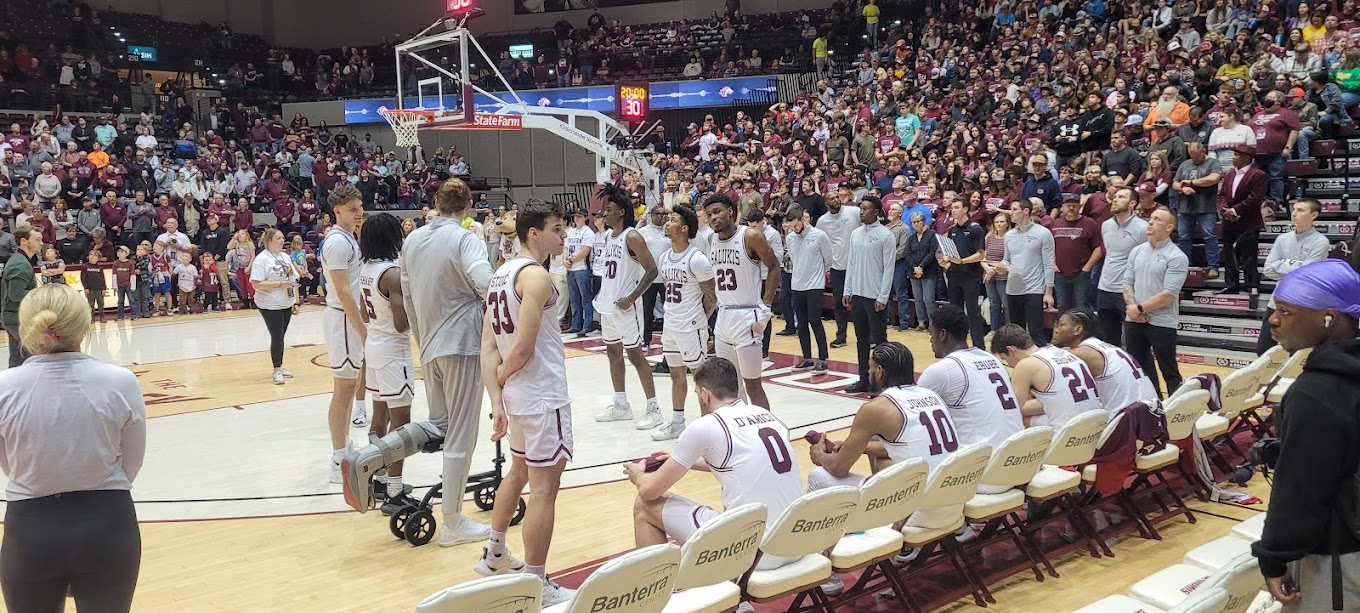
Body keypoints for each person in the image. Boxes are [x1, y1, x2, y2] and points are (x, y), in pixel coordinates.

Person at [0, 284, 145, 612]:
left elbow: (9, 464)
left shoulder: (3, 387)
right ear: (85, 326)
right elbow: (131, 463)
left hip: (30, 530)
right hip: (107, 525)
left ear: (27, 328)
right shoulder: (120, 381)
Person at [625, 357, 804, 607]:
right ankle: (734, 598)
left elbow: (649, 490)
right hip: (797, 541)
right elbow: (744, 462)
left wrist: (638, 475)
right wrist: (683, 461)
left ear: (705, 394)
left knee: (644, 507)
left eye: (697, 393)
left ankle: (654, 603)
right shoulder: (764, 414)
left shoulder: (705, 426)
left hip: (754, 554)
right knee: (739, 497)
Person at [477, 200, 575, 607]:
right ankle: (537, 584)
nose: (563, 234)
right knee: (544, 491)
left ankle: (495, 553)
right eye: (557, 228)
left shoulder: (500, 274)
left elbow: (486, 347)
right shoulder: (537, 277)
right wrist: (503, 381)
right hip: (542, 394)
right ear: (534, 233)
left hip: (519, 397)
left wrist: (498, 397)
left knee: (517, 474)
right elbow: (520, 349)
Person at [386, 177, 494, 546]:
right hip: (463, 342)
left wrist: (421, 338)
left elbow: (408, 296)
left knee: (438, 424)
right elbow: (483, 278)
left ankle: (381, 462)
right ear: (467, 209)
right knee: (461, 432)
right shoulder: (467, 238)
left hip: (429, 342)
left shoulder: (413, 239)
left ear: (435, 202)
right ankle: (452, 521)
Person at [1250, 258, 1360, 610]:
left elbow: (1301, 491)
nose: (1274, 320)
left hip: (1338, 552)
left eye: (1286, 311)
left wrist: (1274, 556)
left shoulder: (1314, 393)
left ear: (1329, 317)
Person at [804, 341, 968, 571]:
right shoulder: (932, 396)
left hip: (916, 515)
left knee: (817, 477)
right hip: (953, 504)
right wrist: (858, 446)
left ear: (880, 371)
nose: (869, 372)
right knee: (877, 454)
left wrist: (820, 455)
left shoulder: (877, 408)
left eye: (871, 367)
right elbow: (912, 444)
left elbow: (839, 468)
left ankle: (824, 569)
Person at [355, 213, 419, 514]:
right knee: (401, 423)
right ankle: (394, 491)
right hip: (393, 350)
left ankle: (377, 476)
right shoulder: (392, 274)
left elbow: (365, 314)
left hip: (374, 345)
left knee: (379, 417)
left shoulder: (365, 268)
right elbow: (400, 324)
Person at [702, 193, 781, 409]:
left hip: (747, 314)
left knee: (753, 385)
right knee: (730, 386)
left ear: (731, 211)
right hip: (724, 315)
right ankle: (740, 428)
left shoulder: (750, 236)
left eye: (717, 211)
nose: (713, 218)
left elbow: (774, 267)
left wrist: (766, 305)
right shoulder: (710, 240)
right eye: (709, 214)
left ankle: (765, 431)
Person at [592, 186, 662, 428]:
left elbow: (652, 270)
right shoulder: (608, 237)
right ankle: (621, 405)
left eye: (608, 210)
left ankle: (654, 408)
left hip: (626, 306)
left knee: (635, 355)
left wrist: (632, 297)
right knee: (612, 353)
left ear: (621, 212)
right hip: (608, 305)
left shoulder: (632, 236)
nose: (604, 214)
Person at [918, 304, 1023, 448]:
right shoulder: (991, 359)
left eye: (931, 334)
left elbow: (912, 417)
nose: (931, 340)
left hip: (983, 459)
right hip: (1019, 449)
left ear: (943, 334)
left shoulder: (942, 370)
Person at [652, 204, 716, 441]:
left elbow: (711, 296)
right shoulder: (664, 257)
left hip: (691, 326)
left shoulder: (697, 259)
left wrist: (699, 320)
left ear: (684, 228)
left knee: (700, 377)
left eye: (673, 219)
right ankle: (678, 422)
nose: (668, 222)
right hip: (671, 324)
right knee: (675, 374)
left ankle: (707, 426)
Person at [321, 184, 369, 483]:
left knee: (349, 387)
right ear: (337, 211)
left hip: (346, 319)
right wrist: (362, 328)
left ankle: (344, 445)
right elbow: (342, 291)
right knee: (344, 389)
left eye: (359, 206)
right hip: (342, 320)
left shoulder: (349, 239)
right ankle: (338, 458)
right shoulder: (337, 243)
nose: (359, 212)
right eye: (352, 209)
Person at [1123, 208, 1189, 397]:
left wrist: (1140, 308)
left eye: (1157, 219)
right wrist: (1132, 308)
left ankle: (1179, 411)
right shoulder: (1136, 251)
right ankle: (1152, 406)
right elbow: (1127, 283)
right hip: (1134, 319)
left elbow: (1169, 293)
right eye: (1150, 218)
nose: (1150, 222)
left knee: (1169, 370)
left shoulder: (1177, 257)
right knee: (1139, 368)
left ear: (1169, 228)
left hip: (1162, 321)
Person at [991, 323, 1103, 428]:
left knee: (1020, 421)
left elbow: (1012, 411)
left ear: (1010, 350)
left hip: (1069, 433)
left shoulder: (1025, 365)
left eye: (1005, 359)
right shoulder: (1065, 353)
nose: (1010, 365)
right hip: (1097, 424)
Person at [1256, 198, 1332, 354]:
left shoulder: (1321, 242)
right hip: (1276, 301)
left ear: (1314, 215)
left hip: (1301, 304)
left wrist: (1282, 264)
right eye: (1294, 209)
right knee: (1263, 349)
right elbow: (1268, 269)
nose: (1294, 213)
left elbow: (1306, 275)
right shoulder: (1282, 239)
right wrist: (1296, 266)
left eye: (1301, 210)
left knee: (1293, 351)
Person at [1051, 309, 1158, 414]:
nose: (1055, 330)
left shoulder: (1081, 354)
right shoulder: (1101, 346)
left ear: (1078, 330)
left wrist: (1050, 345)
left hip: (1129, 420)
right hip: (1152, 412)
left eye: (1060, 325)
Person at [843, 195, 896, 395]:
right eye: (860, 208)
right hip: (857, 294)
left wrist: (883, 297)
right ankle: (864, 379)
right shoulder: (855, 234)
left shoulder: (885, 235)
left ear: (876, 212)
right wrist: (848, 290)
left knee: (880, 341)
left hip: (875, 298)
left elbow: (889, 268)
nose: (861, 212)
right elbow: (851, 264)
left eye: (866, 209)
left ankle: (883, 382)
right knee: (861, 340)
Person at [1001, 198, 1056, 345]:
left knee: (1035, 331)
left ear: (1026, 211)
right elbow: (1006, 259)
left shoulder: (1043, 233)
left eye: (1014, 210)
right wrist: (999, 266)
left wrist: (1048, 292)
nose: (1010, 213)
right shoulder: (1008, 235)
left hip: (1034, 289)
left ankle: (1043, 363)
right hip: (1012, 288)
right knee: (1015, 332)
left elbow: (1049, 263)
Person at [1096, 187, 1147, 347]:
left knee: (1133, 341)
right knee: (1109, 340)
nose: (1115, 199)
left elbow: (1145, 261)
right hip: (1105, 287)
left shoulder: (1143, 227)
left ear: (1132, 203)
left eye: (1121, 197)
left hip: (1128, 291)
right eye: (1115, 196)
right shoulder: (1105, 225)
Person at [784, 204, 831, 373]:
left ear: (803, 220)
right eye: (791, 226)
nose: (794, 228)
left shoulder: (819, 235)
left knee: (815, 321)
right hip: (797, 284)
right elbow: (795, 259)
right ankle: (807, 358)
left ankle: (823, 359)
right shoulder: (790, 238)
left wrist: (823, 274)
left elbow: (828, 259)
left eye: (796, 224)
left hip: (815, 284)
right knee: (801, 323)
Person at [249, 228, 299, 385]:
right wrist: (279, 284)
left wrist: (296, 301)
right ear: (269, 240)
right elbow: (256, 284)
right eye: (278, 238)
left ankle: (281, 365)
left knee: (281, 336)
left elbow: (293, 280)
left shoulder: (285, 256)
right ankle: (276, 370)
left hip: (286, 301)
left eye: (283, 237)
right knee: (277, 336)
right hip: (269, 303)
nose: (282, 240)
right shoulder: (261, 259)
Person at [1216, 143, 1267, 296]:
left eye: (1236, 155)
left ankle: (1252, 285)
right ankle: (1231, 284)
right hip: (1228, 222)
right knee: (1229, 255)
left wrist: (1235, 210)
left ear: (1246, 157)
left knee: (1249, 255)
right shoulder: (1230, 174)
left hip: (1248, 222)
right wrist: (1224, 209)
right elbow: (1221, 195)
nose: (1233, 157)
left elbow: (1255, 198)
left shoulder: (1258, 174)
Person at [817, 185, 861, 348]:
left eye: (837, 197)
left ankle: (864, 335)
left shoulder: (854, 212)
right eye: (832, 199)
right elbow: (820, 242)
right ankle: (841, 335)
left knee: (859, 302)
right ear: (826, 204)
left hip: (856, 265)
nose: (836, 200)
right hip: (837, 267)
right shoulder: (822, 221)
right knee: (838, 303)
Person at [943, 199, 989, 348]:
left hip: (971, 275)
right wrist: (946, 259)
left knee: (973, 312)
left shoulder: (976, 228)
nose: (953, 210)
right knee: (955, 312)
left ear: (965, 209)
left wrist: (962, 261)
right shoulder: (952, 230)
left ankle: (978, 347)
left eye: (957, 207)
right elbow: (951, 252)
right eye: (952, 208)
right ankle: (958, 345)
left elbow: (981, 254)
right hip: (954, 274)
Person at [1050, 194, 1103, 313]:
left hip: (1081, 273)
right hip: (1060, 273)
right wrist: (1053, 263)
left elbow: (1099, 247)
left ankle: (1084, 331)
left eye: (1074, 205)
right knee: (1062, 306)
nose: (1071, 208)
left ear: (1080, 206)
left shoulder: (1090, 224)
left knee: (1081, 305)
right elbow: (1049, 246)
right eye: (1068, 205)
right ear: (1063, 207)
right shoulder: (1055, 224)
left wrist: (1087, 267)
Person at [2, 225, 41, 368]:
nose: (41, 243)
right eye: (37, 239)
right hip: (18, 318)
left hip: (12, 317)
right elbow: (16, 294)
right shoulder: (20, 264)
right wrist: (40, 294)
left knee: (17, 359)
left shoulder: (19, 260)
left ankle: (10, 388)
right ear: (24, 241)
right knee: (34, 357)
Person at [904, 210, 940, 331]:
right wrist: (915, 267)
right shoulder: (911, 238)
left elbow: (932, 252)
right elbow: (907, 254)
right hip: (914, 272)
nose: (916, 224)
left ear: (923, 222)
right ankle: (921, 323)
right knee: (918, 299)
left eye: (918, 221)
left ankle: (933, 324)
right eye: (913, 222)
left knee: (929, 299)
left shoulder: (932, 234)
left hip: (929, 271)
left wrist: (921, 266)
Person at [563, 209, 595, 336]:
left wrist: (572, 259)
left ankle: (587, 325)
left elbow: (585, 250)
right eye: (575, 216)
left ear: (585, 218)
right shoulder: (571, 231)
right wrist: (565, 259)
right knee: (574, 299)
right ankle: (576, 325)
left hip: (582, 269)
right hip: (571, 269)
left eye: (579, 216)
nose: (576, 218)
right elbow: (565, 247)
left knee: (585, 299)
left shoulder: (588, 232)